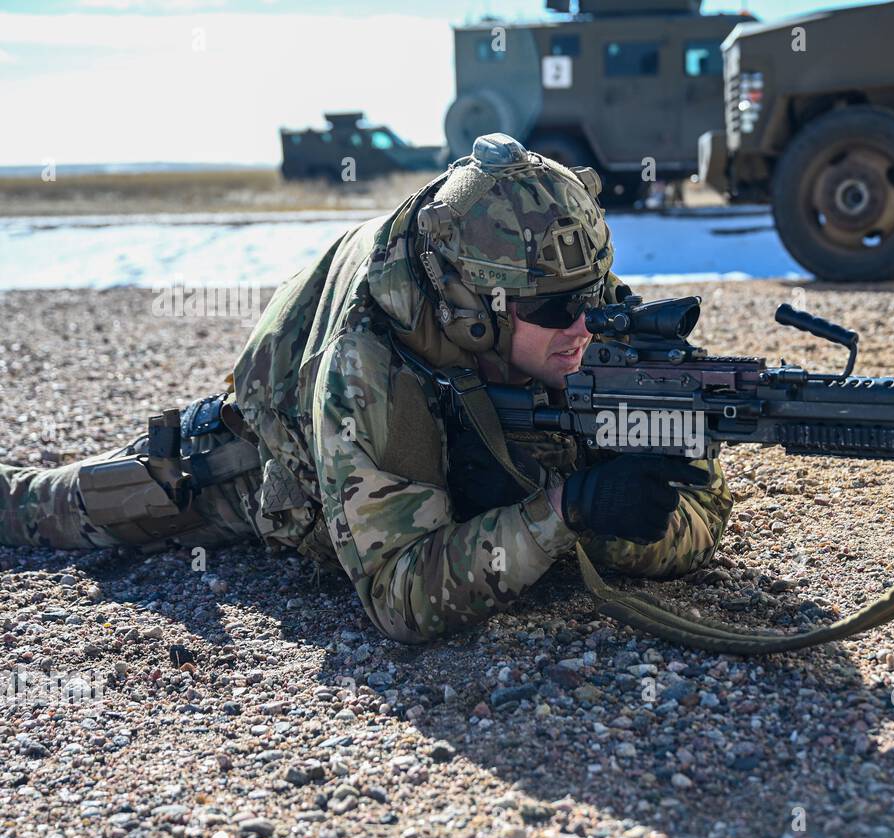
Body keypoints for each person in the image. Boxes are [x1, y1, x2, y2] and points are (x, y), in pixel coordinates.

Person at [0, 134, 732, 644]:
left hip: (452, 411)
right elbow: (401, 598)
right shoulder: (369, 361)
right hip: (261, 463)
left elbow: (701, 515)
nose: (585, 324)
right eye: (552, 310)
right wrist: (562, 513)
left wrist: (631, 520)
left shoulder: (561, 285)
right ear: (476, 309)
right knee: (55, 510)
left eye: (597, 293)